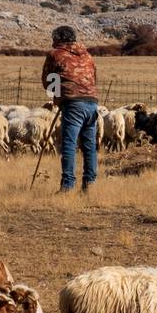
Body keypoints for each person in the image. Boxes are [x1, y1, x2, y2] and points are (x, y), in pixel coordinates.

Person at [41, 25, 99, 193]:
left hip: (73, 104)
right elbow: (94, 77)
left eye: (54, 38)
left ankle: (67, 186)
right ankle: (90, 185)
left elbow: (49, 81)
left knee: (69, 144)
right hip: (92, 102)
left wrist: (58, 97)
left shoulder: (55, 54)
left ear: (59, 39)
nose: (52, 42)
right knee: (89, 146)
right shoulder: (87, 55)